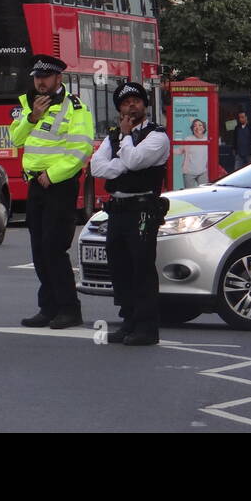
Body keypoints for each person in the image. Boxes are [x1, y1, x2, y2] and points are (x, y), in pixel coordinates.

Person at [9, 55, 95, 330]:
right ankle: (48, 307)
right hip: (35, 185)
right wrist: (33, 117)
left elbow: (81, 149)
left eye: (46, 77)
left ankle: (69, 309)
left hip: (59, 185)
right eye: (37, 77)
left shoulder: (75, 108)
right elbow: (16, 139)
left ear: (59, 78)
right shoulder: (29, 105)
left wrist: (53, 175)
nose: (40, 82)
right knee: (39, 250)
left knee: (54, 248)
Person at [91, 80, 171, 346]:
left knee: (141, 267)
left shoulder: (157, 136)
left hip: (142, 210)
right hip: (117, 210)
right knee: (120, 267)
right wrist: (122, 163)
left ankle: (147, 327)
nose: (131, 105)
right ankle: (129, 321)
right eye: (125, 102)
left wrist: (125, 143)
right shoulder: (112, 136)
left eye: (136, 101)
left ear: (145, 105)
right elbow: (98, 168)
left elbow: (137, 161)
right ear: (119, 109)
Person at [180, 119, 209, 188]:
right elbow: (181, 151)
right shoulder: (188, 139)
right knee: (189, 194)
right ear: (192, 129)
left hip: (202, 172)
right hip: (189, 172)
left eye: (200, 125)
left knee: (203, 193)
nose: (197, 127)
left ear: (204, 128)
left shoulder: (207, 140)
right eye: (195, 126)